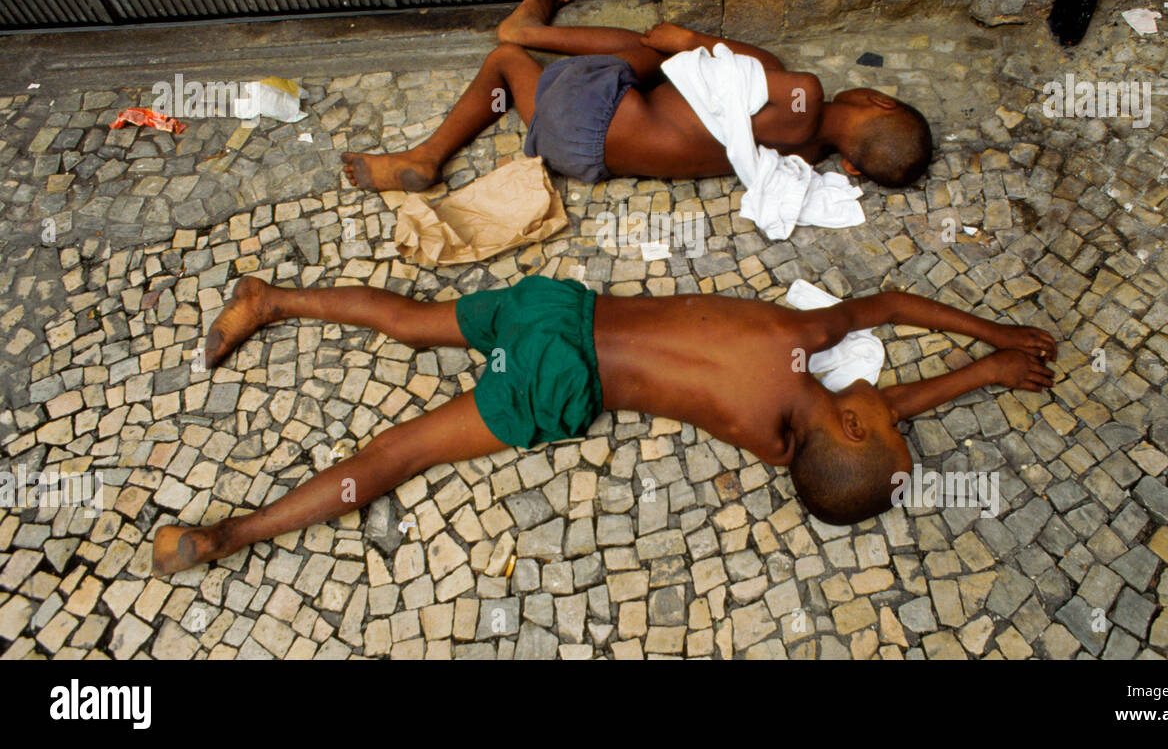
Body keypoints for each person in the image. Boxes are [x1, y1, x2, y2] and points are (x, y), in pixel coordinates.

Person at [152, 273, 1055, 575]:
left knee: (415, 322)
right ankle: (233, 534)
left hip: (558, 313)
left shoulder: (804, 335)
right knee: (400, 453)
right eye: (897, 424)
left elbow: (887, 306)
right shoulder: (770, 438)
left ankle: (271, 300)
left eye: (895, 427)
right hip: (561, 378)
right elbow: (875, 413)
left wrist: (991, 343)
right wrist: (983, 374)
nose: (900, 409)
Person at [342, 0, 931, 194]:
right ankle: (426, 158)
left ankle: (523, 35)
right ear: (851, 166)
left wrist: (681, 37)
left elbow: (697, 55)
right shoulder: (802, 161)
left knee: (643, 51)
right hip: (576, 154)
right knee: (509, 68)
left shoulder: (803, 90)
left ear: (875, 99)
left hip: (595, 109)